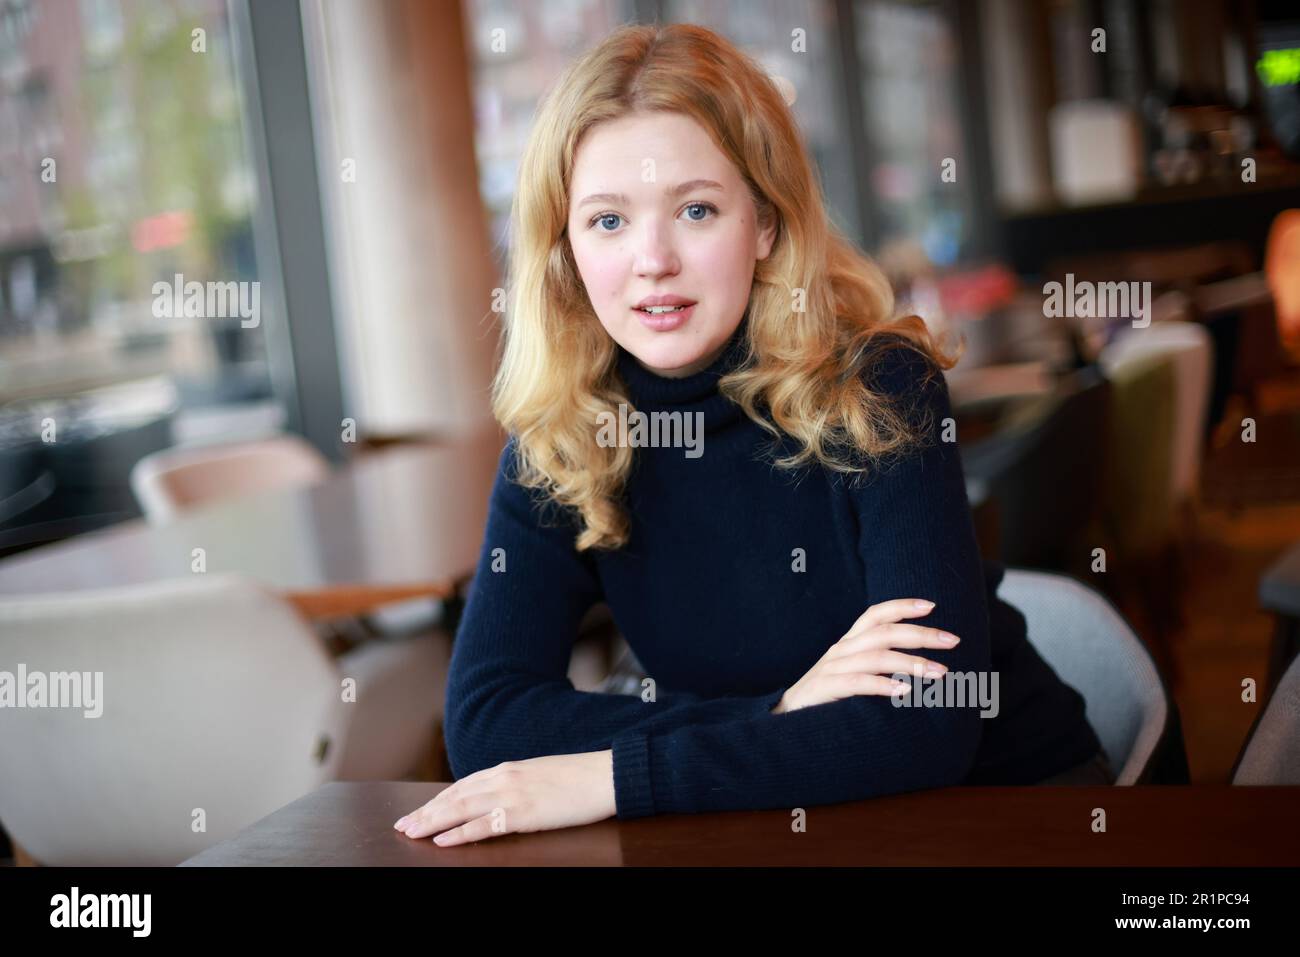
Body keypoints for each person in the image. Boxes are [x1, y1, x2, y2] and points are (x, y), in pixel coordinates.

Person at [394, 22, 1110, 847]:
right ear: (564, 250)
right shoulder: (565, 434)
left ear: (765, 224)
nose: (652, 260)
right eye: (607, 221)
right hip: (768, 821)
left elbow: (926, 726)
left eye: (696, 209)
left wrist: (614, 773)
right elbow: (487, 721)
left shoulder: (881, 387)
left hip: (1008, 807)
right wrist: (781, 711)